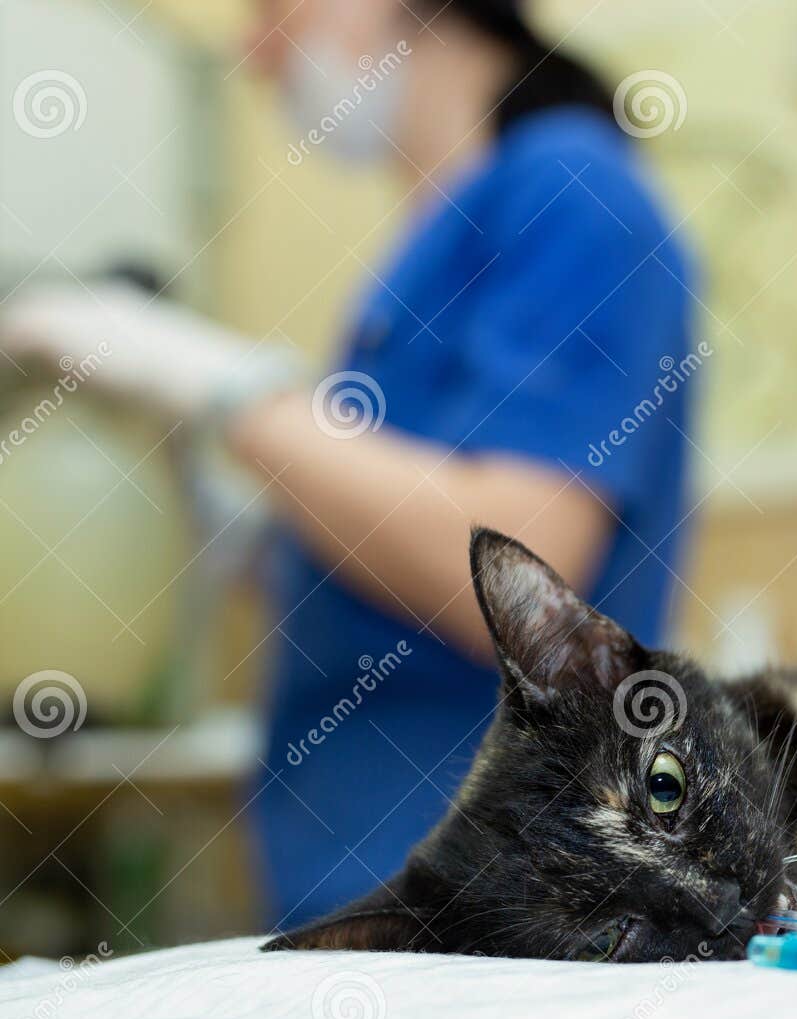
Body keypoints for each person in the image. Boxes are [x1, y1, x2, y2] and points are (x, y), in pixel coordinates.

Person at [0, 0, 697, 929]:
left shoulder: (573, 190)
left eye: (274, 10)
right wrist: (228, 517)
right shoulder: (427, 250)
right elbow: (378, 559)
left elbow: (520, 568)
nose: (252, 54)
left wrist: (221, 388)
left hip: (487, 915)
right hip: (363, 889)